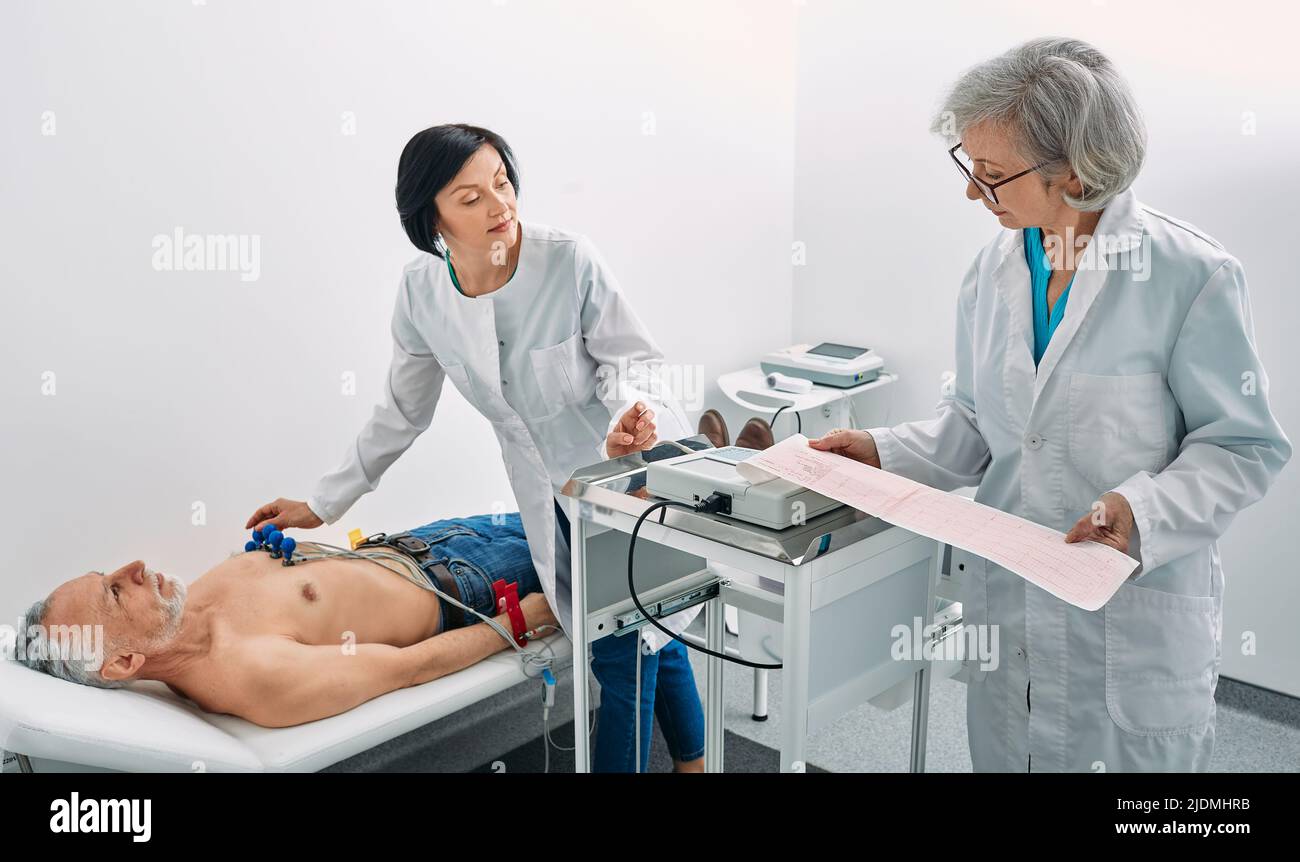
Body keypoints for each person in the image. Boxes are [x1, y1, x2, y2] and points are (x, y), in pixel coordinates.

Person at [810, 38, 1290, 771]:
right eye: (969, 168)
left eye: (991, 175)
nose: (973, 193)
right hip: (1013, 613)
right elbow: (978, 423)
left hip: (1127, 623)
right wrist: (881, 450)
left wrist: (1142, 511)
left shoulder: (1190, 275)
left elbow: (1242, 447)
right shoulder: (992, 272)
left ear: (1075, 169)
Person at [244, 124, 705, 770]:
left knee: (622, 654)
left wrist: (634, 415)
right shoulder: (421, 294)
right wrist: (323, 504)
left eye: (502, 183)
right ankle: (695, 764)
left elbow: (632, 362)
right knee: (654, 635)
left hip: (622, 482)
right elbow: (402, 412)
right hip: (548, 501)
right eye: (471, 198)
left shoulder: (567, 260)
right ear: (431, 219)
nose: (499, 205)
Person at [13, 513, 556, 728]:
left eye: (106, 573)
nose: (131, 566)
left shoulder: (185, 604)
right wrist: (516, 625)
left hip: (430, 536)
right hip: (471, 583)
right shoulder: (252, 675)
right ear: (125, 661)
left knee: (569, 486)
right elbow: (410, 667)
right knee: (603, 513)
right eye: (114, 592)